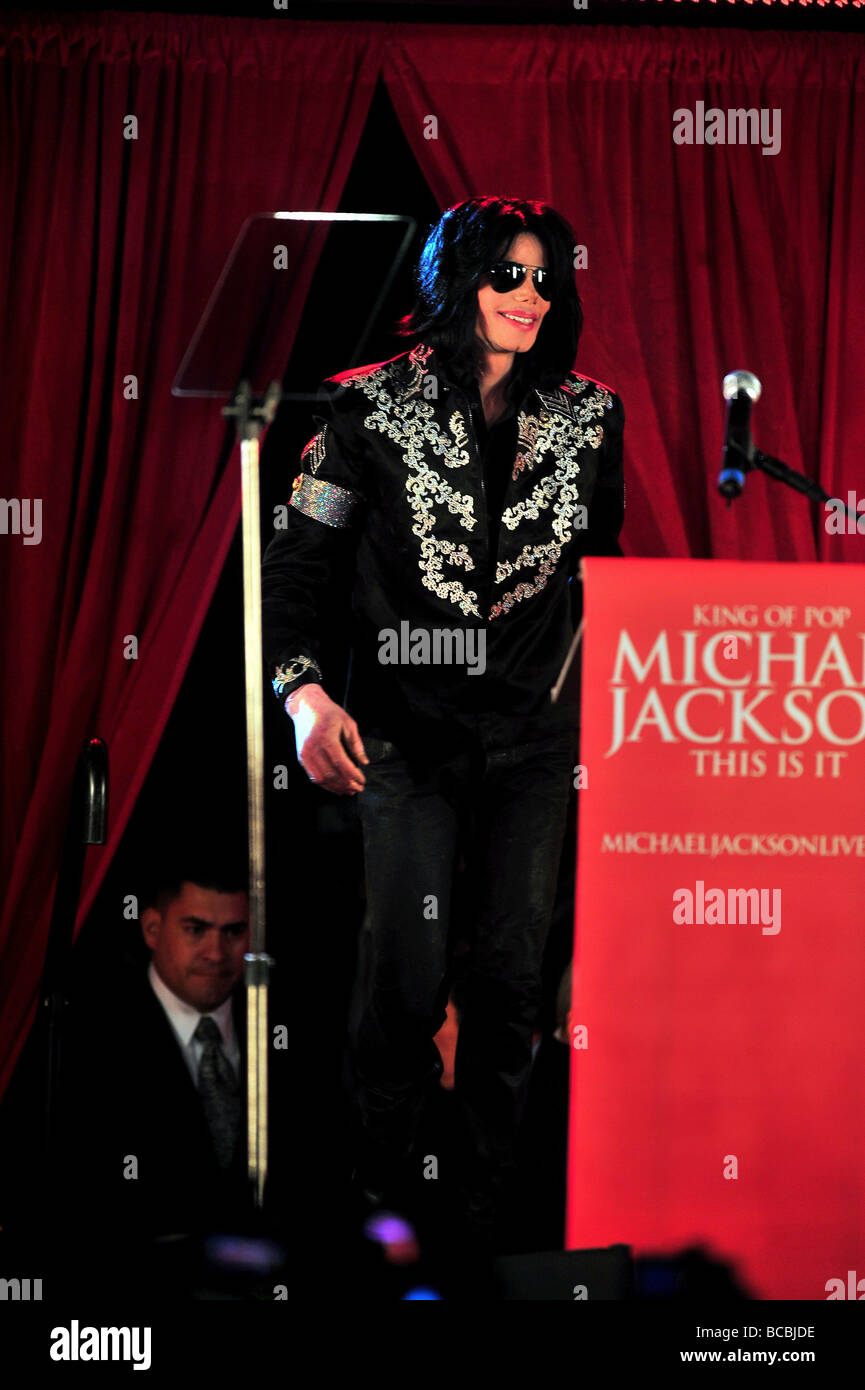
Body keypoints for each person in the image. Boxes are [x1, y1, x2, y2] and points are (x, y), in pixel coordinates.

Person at [261, 195, 626, 1251]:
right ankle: (379, 1218)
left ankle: (481, 1229)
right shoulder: (363, 410)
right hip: (407, 733)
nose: (529, 296)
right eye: (507, 274)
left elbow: (598, 571)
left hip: (532, 738)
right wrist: (303, 691)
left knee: (512, 982)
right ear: (453, 279)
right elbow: (296, 566)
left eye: (546, 278)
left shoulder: (590, 416)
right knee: (407, 977)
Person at [55, 850, 252, 1241]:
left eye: (233, 931)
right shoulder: (87, 1040)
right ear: (151, 929)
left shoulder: (283, 1028)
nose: (216, 953)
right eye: (196, 929)